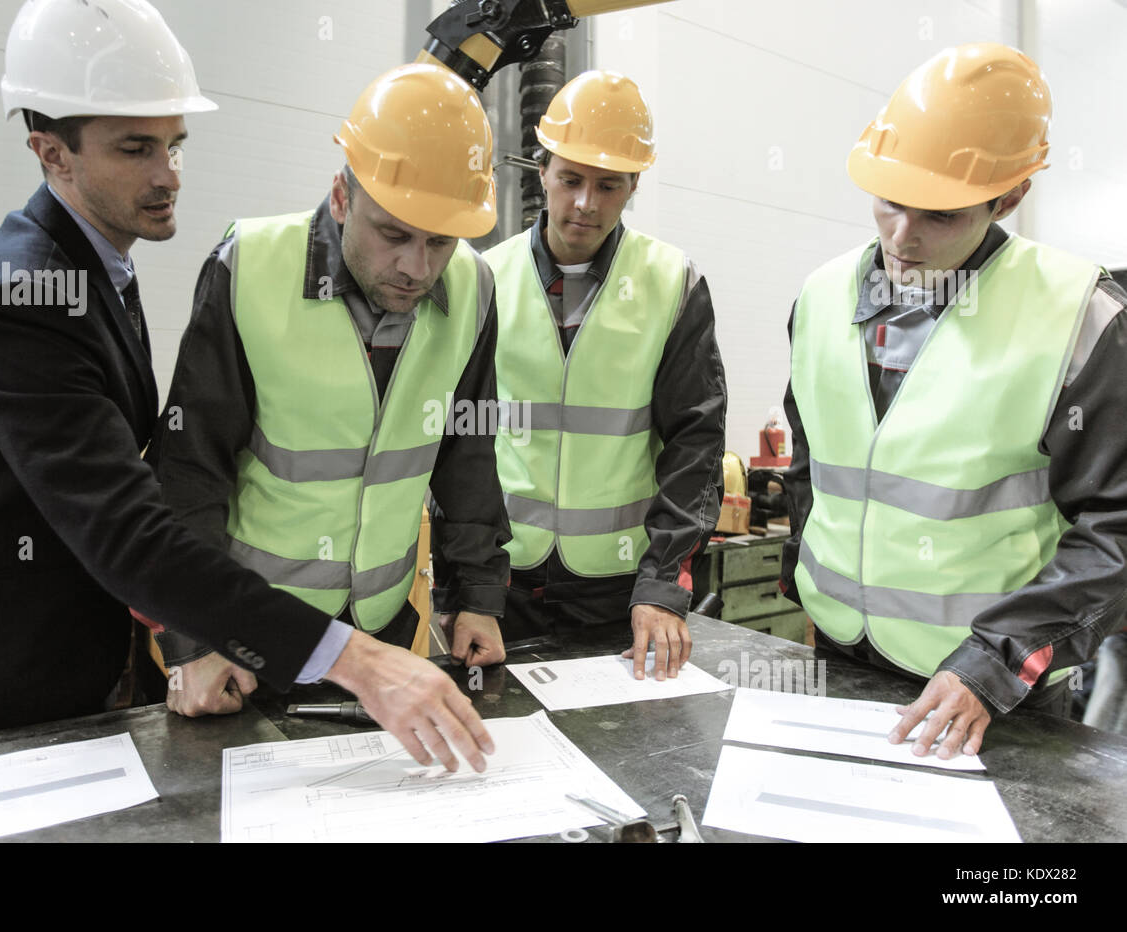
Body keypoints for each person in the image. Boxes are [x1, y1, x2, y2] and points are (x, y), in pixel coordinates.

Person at [0, 0, 493, 774]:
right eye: (137, 149)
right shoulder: (19, 299)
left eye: (175, 145)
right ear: (51, 152)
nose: (169, 175)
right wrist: (357, 661)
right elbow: (130, 532)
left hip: (81, 662)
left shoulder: (96, 270)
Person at [780, 42, 1127, 760]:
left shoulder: (1078, 317)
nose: (902, 238)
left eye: (938, 216)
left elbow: (1116, 528)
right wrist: (812, 585)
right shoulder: (820, 297)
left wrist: (998, 660)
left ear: (1010, 197)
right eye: (889, 204)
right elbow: (814, 470)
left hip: (993, 692)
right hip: (843, 659)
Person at [146, 62, 512, 715]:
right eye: (393, 233)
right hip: (253, 647)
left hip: (385, 637)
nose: (415, 267)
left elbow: (469, 461)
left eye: (440, 241)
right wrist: (194, 640)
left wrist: (477, 596)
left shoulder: (475, 290)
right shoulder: (250, 268)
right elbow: (190, 471)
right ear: (342, 197)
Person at [433, 70, 726, 681]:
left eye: (608, 185)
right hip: (502, 585)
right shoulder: (482, 278)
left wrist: (663, 581)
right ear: (542, 171)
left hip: (621, 592)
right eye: (570, 179)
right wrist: (468, 585)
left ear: (633, 186)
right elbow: (458, 447)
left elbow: (694, 443)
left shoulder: (673, 285)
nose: (586, 203)